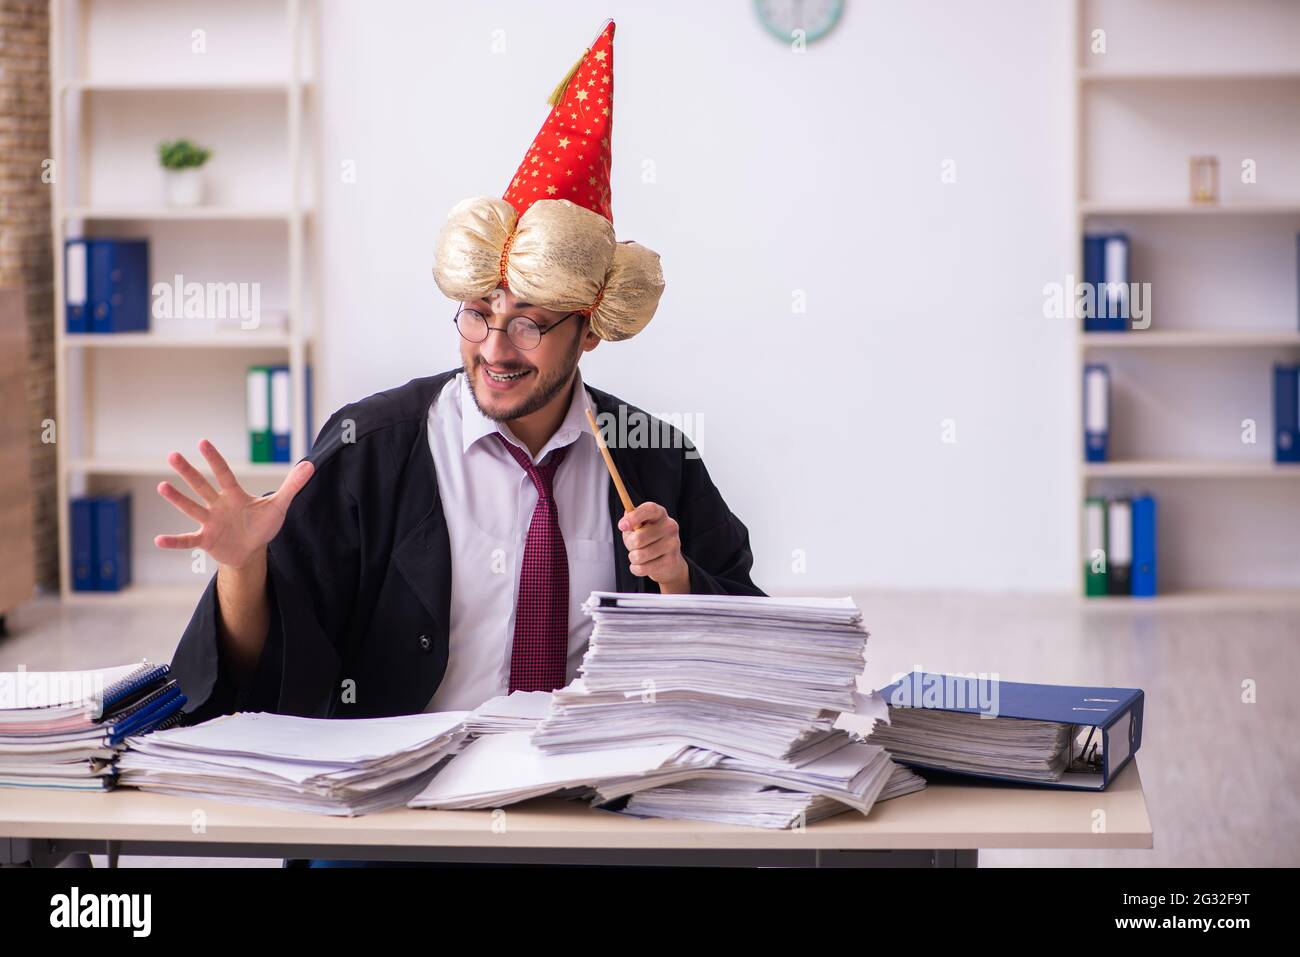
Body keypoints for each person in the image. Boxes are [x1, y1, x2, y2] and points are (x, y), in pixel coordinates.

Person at [159, 21, 764, 734]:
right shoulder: (370, 446)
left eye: (532, 323)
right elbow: (262, 681)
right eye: (478, 314)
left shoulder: (654, 457)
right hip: (409, 804)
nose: (496, 348)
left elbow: (750, 656)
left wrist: (677, 579)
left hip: (588, 802)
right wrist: (243, 569)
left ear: (591, 330)